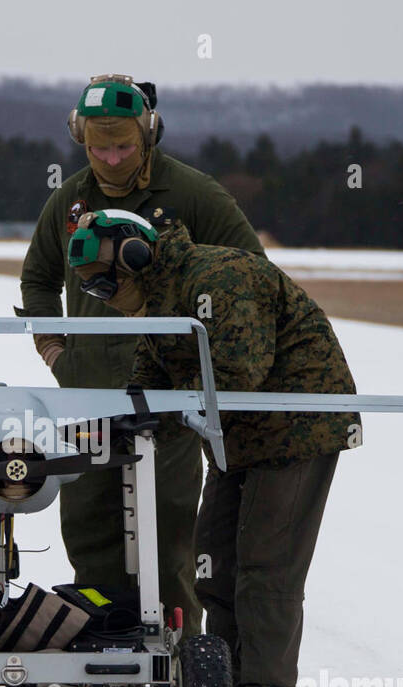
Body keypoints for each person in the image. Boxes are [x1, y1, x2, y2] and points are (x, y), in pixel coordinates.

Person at [66, 209, 361, 687]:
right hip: (238, 437)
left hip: (298, 426)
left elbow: (238, 373)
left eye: (105, 283)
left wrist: (169, 407)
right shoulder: (160, 307)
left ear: (136, 257)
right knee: (214, 561)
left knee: (267, 560)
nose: (103, 297)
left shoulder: (219, 278)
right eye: (92, 290)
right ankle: (226, 685)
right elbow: (148, 385)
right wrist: (107, 429)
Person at [18, 74, 265, 656]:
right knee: (89, 523)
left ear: (149, 133)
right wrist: (56, 352)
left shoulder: (193, 194)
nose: (111, 158)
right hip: (86, 396)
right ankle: (99, 647)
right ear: (80, 137)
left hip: (169, 398)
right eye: (98, 147)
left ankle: (181, 657)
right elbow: (37, 279)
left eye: (123, 146)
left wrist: (209, 361)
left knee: (169, 525)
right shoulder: (70, 198)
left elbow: (252, 274)